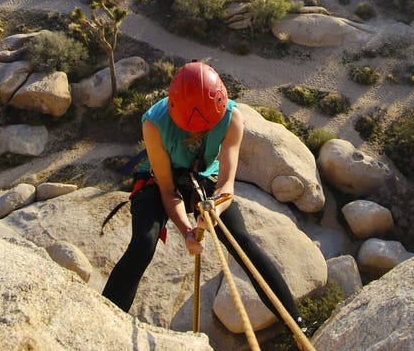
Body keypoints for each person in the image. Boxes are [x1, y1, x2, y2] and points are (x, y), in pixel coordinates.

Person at [102, 60, 308, 335]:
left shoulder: (232, 117)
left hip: (202, 178)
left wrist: (215, 211)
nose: (198, 132)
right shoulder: (154, 123)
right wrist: (187, 230)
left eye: (205, 127)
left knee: (241, 241)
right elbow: (167, 189)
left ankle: (296, 324)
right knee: (143, 243)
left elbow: (226, 184)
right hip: (158, 180)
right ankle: (101, 321)